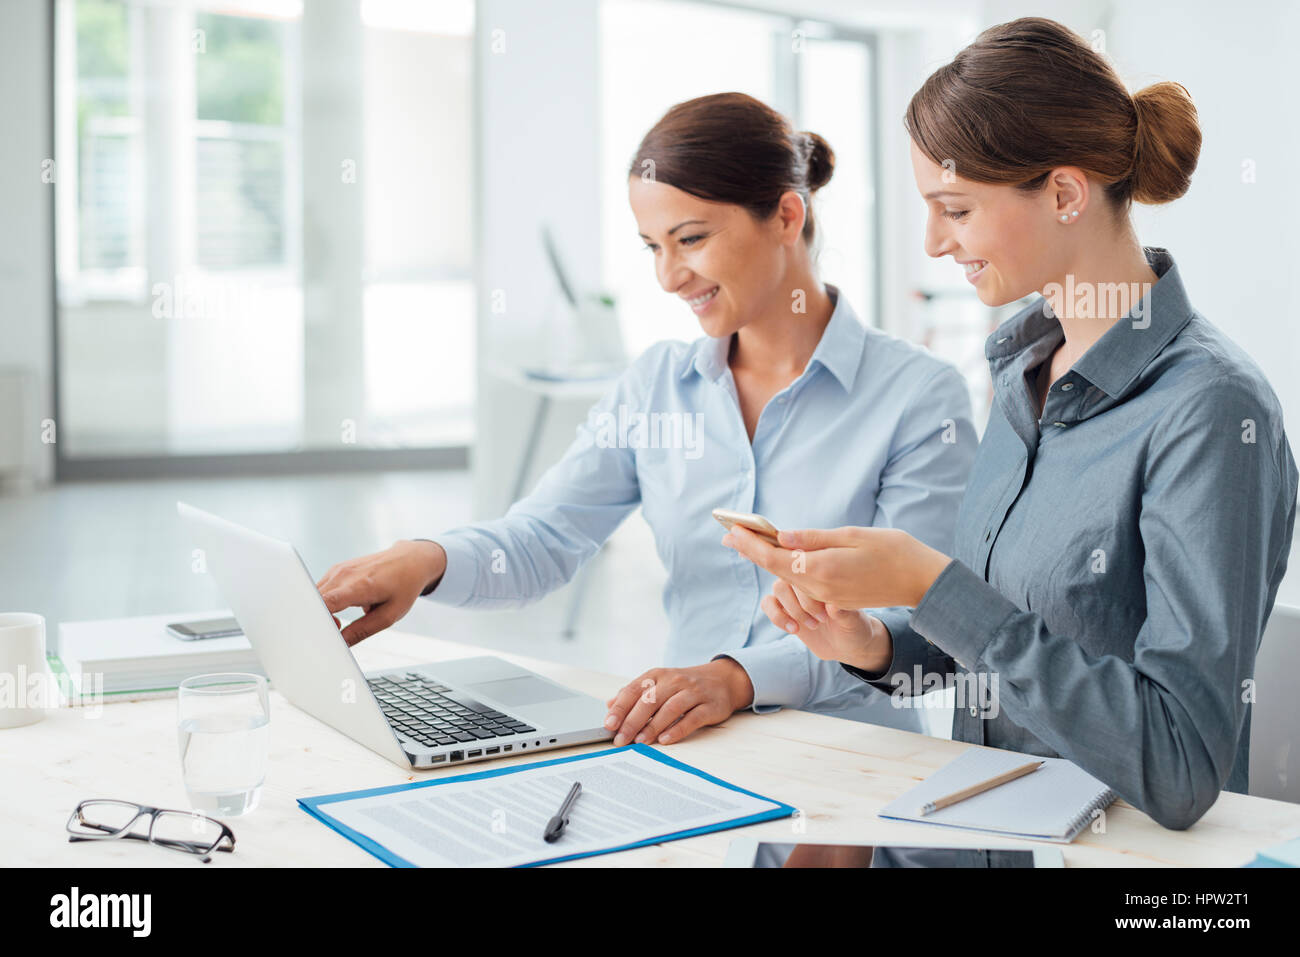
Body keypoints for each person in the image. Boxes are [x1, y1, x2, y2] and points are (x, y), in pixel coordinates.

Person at [725, 18, 1298, 832]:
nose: (931, 242)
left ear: (1065, 193)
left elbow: (1179, 765)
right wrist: (875, 643)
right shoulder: (1022, 374)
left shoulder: (1209, 408)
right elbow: (1003, 650)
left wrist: (931, 585)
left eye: (954, 208)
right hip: (969, 836)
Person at [315, 92, 976, 746]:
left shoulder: (917, 397)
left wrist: (736, 677)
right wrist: (423, 560)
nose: (669, 276)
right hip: (690, 748)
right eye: (652, 246)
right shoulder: (657, 385)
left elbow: (911, 627)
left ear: (784, 215)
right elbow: (545, 537)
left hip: (857, 772)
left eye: (690, 239)